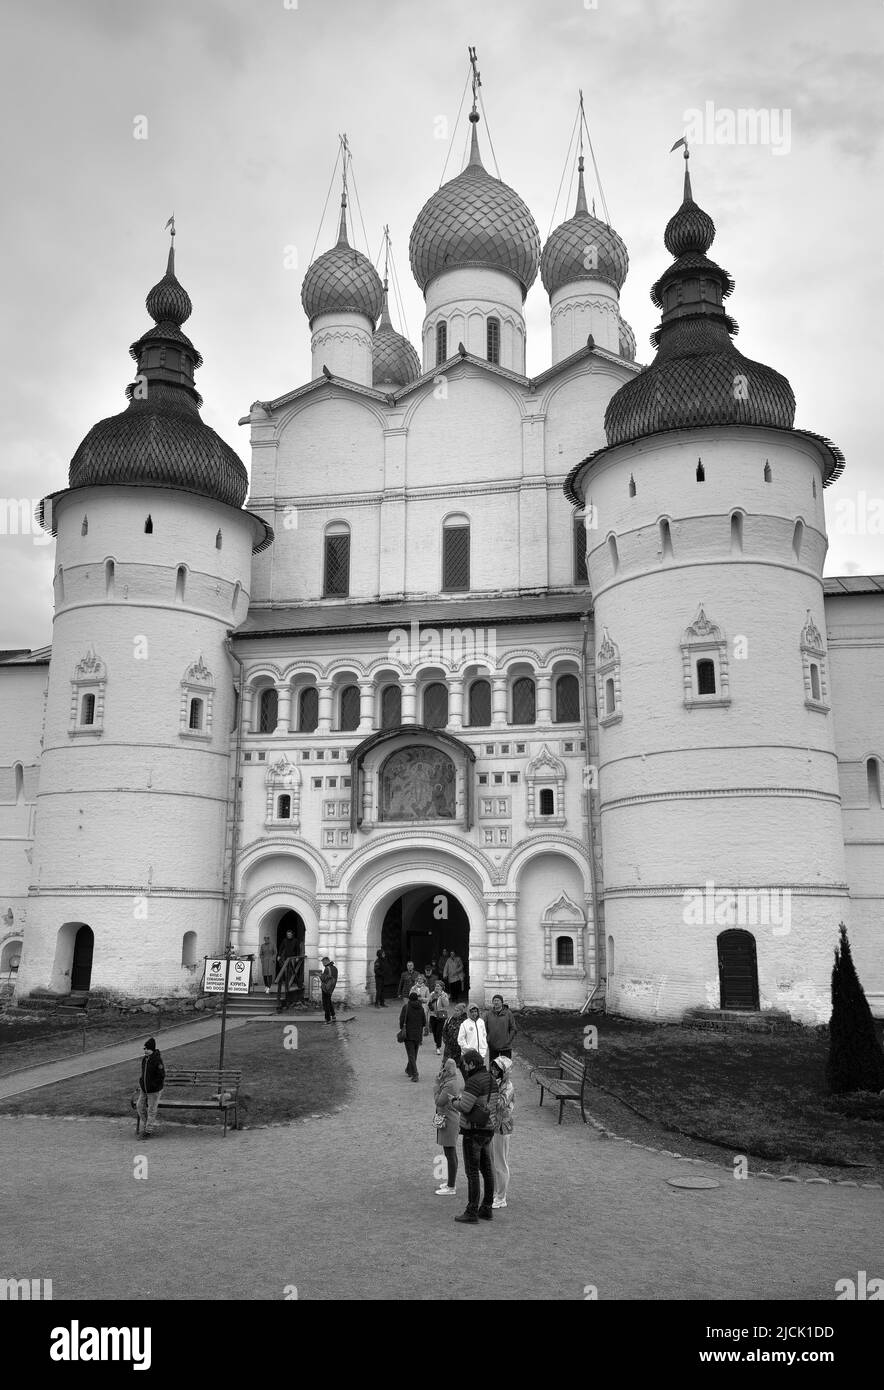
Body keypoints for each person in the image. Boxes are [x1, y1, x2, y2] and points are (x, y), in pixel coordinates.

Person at [450, 1048, 498, 1223]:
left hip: (473, 1131)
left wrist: (454, 1101)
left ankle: (471, 1211)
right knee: (487, 1171)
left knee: (472, 1172)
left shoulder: (473, 1082)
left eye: (465, 1064)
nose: (464, 1068)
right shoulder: (491, 1078)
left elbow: (465, 1107)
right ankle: (486, 1208)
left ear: (471, 1064)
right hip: (488, 1129)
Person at [433, 1056, 464, 1195]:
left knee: (450, 1152)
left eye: (444, 1068)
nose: (442, 1070)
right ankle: (450, 1183)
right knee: (449, 1152)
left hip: (449, 1120)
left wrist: (436, 1084)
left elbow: (439, 1101)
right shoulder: (453, 1080)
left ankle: (451, 1187)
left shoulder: (449, 1084)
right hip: (450, 1118)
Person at [490, 1055, 515, 1209]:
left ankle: (501, 1197)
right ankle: (496, 1193)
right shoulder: (498, 1084)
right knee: (494, 1161)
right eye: (493, 1067)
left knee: (501, 1163)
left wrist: (491, 1090)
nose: (493, 1070)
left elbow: (499, 1104)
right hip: (494, 1125)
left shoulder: (508, 1087)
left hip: (502, 1127)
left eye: (496, 1068)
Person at [135, 1037, 165, 1139]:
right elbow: (143, 1074)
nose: (145, 1050)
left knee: (151, 1110)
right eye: (144, 1049)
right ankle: (148, 1124)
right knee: (139, 1106)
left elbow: (161, 1076)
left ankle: (148, 1131)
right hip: (144, 1089)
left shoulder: (157, 1060)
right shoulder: (145, 1059)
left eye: (146, 1049)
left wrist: (153, 1085)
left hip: (154, 1091)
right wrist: (141, 1082)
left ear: (151, 1049)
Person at [399, 987, 425, 1081]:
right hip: (418, 1034)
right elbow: (424, 1022)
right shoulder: (421, 1008)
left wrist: (402, 1028)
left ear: (409, 999)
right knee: (414, 1053)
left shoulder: (406, 1007)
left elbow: (401, 1020)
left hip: (409, 1035)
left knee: (411, 1054)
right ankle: (409, 1069)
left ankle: (415, 1073)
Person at [275, 929, 303, 1012]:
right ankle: (287, 982)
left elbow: (298, 949)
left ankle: (289, 983)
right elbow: (281, 948)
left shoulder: (295, 941)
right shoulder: (284, 940)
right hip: (286, 958)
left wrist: (298, 956)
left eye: (290, 934)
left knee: (292, 970)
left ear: (292, 934)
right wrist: (279, 955)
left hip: (293, 958)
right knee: (285, 970)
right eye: (288, 934)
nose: (289, 935)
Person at [485, 994, 517, 1063]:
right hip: (493, 1046)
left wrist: (508, 1040)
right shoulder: (488, 1014)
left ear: (502, 1002)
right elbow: (484, 1029)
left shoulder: (508, 1013)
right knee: (494, 1069)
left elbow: (513, 1028)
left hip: (505, 1047)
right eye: (494, 1001)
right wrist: (488, 1039)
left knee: (505, 1068)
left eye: (498, 1000)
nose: (496, 1002)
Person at [442, 1003, 468, 1073]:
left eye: (458, 1011)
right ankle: (444, 1082)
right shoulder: (450, 1019)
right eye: (455, 1010)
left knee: (464, 1070)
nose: (455, 1012)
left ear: (462, 1012)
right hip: (449, 1048)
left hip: (460, 1049)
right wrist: (446, 1041)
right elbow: (444, 1030)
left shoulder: (466, 1021)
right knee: (445, 1068)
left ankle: (468, 1083)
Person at [427, 979, 450, 1054]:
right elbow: (428, 1002)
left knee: (439, 1031)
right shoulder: (432, 994)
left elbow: (446, 1005)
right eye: (436, 986)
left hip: (441, 1015)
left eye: (438, 986)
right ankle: (437, 1042)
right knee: (434, 1031)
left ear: (442, 987)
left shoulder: (444, 994)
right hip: (433, 1015)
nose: (436, 987)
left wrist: (441, 996)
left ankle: (438, 1047)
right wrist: (429, 1007)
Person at [320, 955, 338, 1022]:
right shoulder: (335, 968)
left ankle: (328, 1019)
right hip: (332, 987)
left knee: (326, 1003)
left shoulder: (327, 968)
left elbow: (324, 979)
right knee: (329, 1001)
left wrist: (320, 975)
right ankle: (333, 1015)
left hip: (326, 988)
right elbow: (333, 978)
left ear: (326, 961)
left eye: (323, 962)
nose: (323, 963)